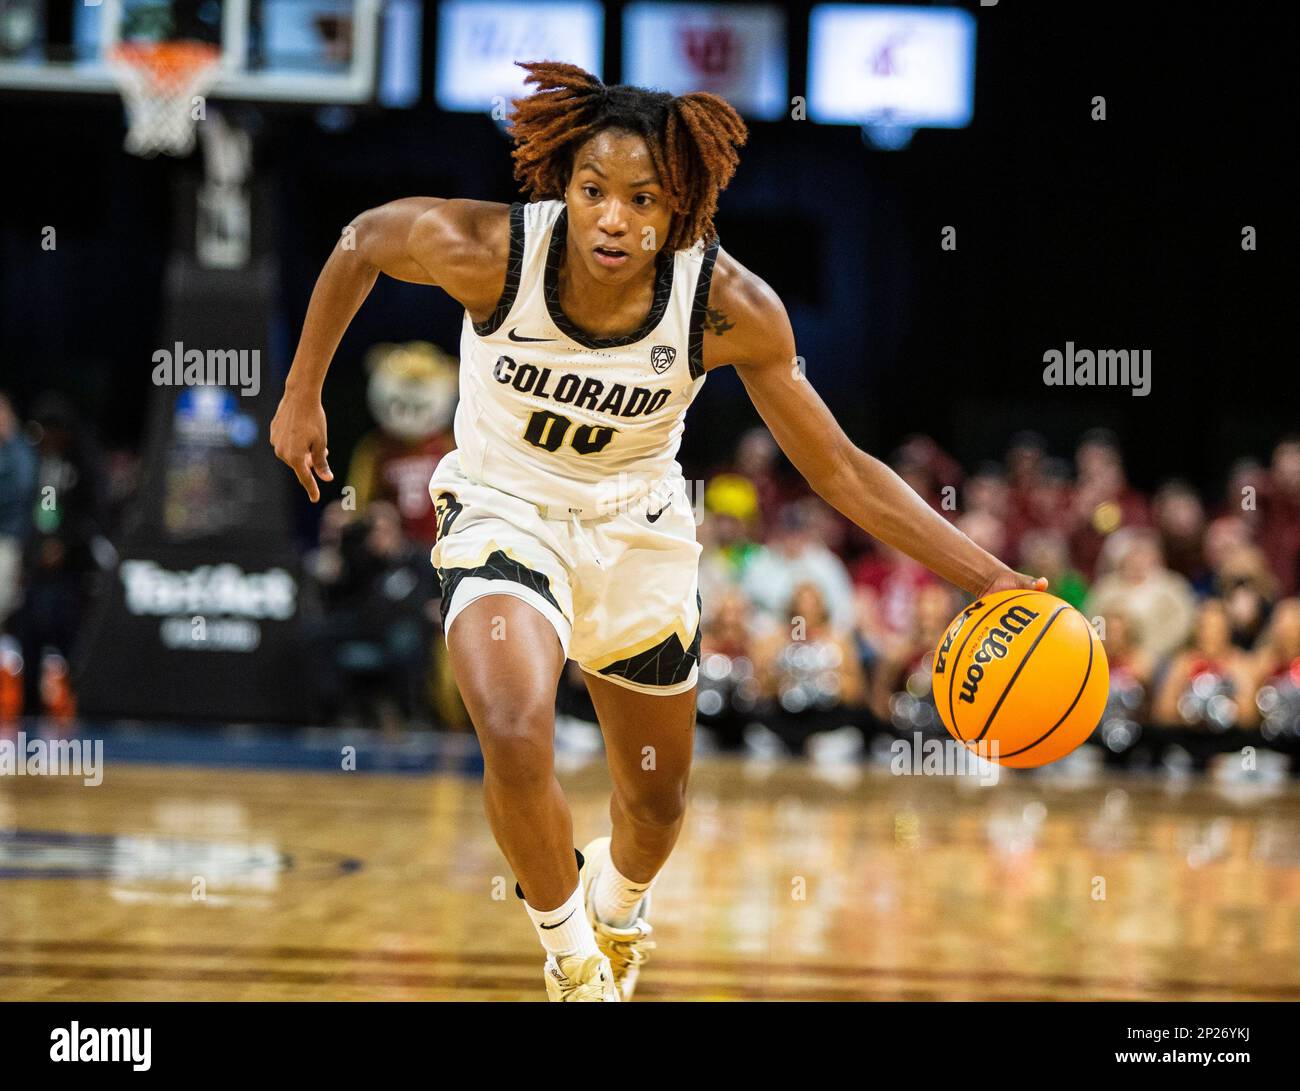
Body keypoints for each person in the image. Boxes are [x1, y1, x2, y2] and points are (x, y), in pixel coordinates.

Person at [269, 61, 1044, 1002]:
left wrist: (988, 575)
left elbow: (839, 469)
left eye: (643, 199)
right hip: (505, 510)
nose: (612, 219)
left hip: (637, 536)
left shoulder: (728, 305)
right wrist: (303, 388)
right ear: (564, 185)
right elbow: (358, 241)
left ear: (684, 207)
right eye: (594, 191)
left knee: (655, 803)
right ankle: (573, 962)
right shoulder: (484, 249)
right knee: (515, 729)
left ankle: (621, 907)